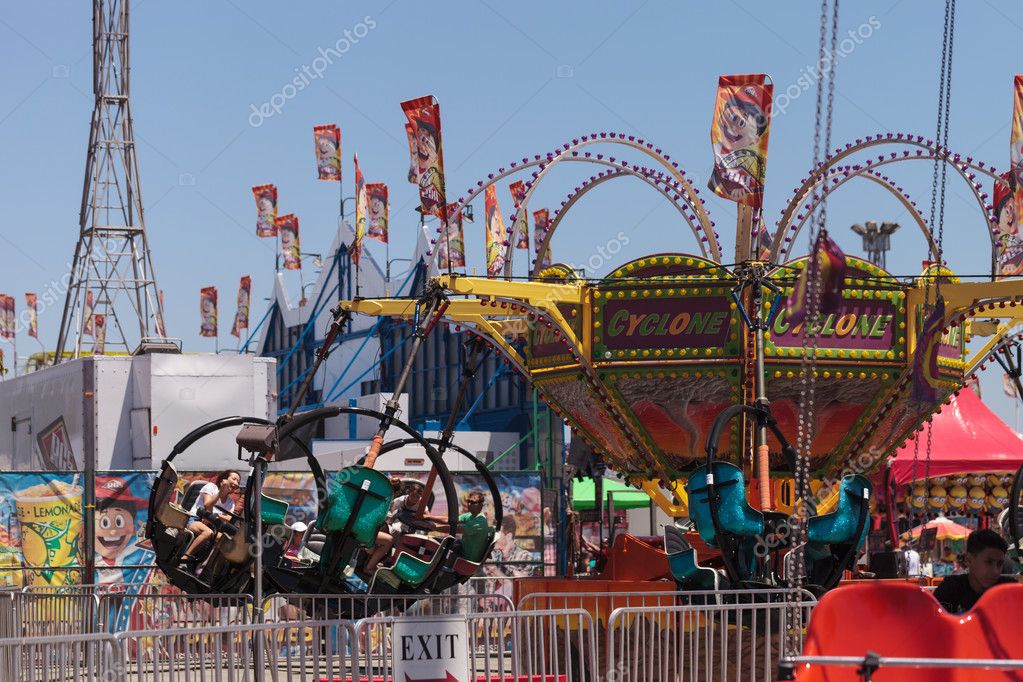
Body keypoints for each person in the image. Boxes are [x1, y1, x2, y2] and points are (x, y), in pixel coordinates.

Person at [932, 528, 1016, 614]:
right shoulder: (950, 589)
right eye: (989, 562)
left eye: (1000, 564)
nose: (996, 571)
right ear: (969, 560)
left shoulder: (1010, 590)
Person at [179, 470, 241, 573]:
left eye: (238, 481)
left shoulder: (230, 502)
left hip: (212, 525)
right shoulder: (210, 487)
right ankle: (185, 558)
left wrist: (216, 516)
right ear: (224, 479)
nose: (236, 483)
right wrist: (220, 492)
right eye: (234, 479)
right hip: (195, 519)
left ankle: (208, 569)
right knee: (208, 533)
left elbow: (230, 518)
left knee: (226, 541)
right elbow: (208, 505)